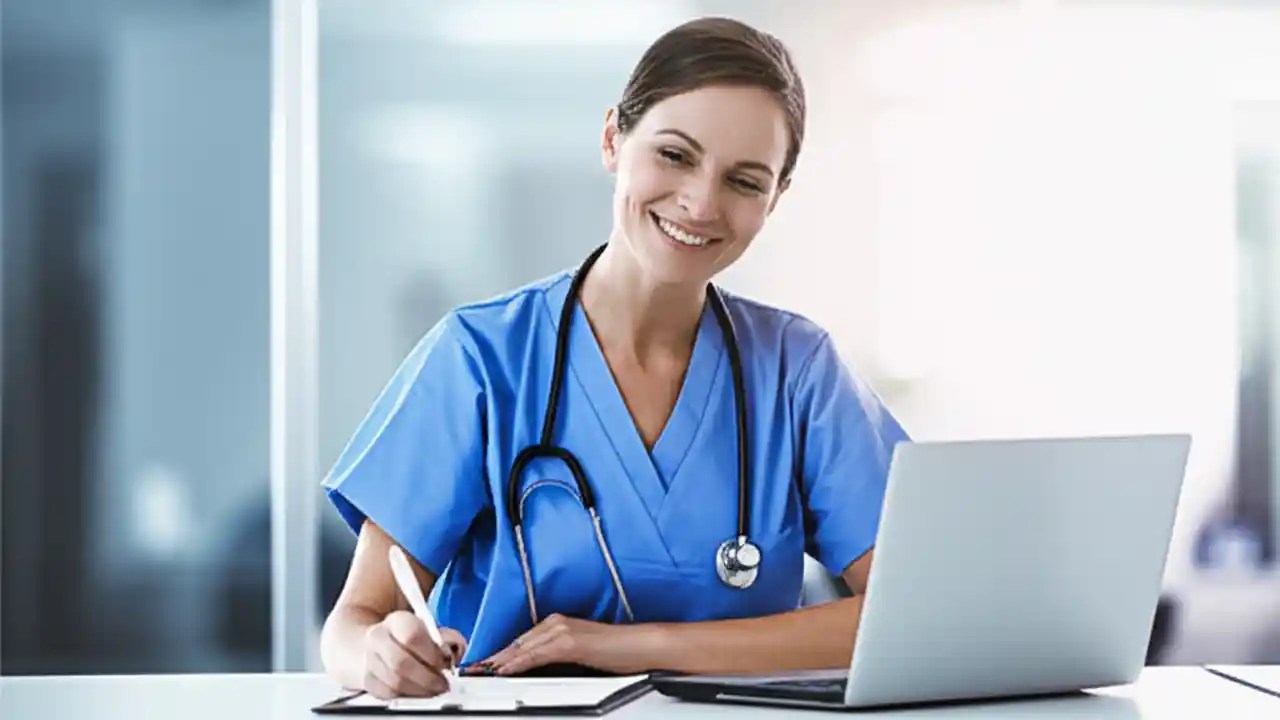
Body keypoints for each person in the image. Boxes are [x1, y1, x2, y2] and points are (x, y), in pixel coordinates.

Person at [318, 16, 910, 700]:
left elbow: (906, 615)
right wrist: (381, 655)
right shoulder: (481, 360)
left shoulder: (798, 372)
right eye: (676, 155)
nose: (700, 201)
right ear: (612, 139)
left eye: (744, 182)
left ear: (775, 198)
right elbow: (352, 624)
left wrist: (631, 648)